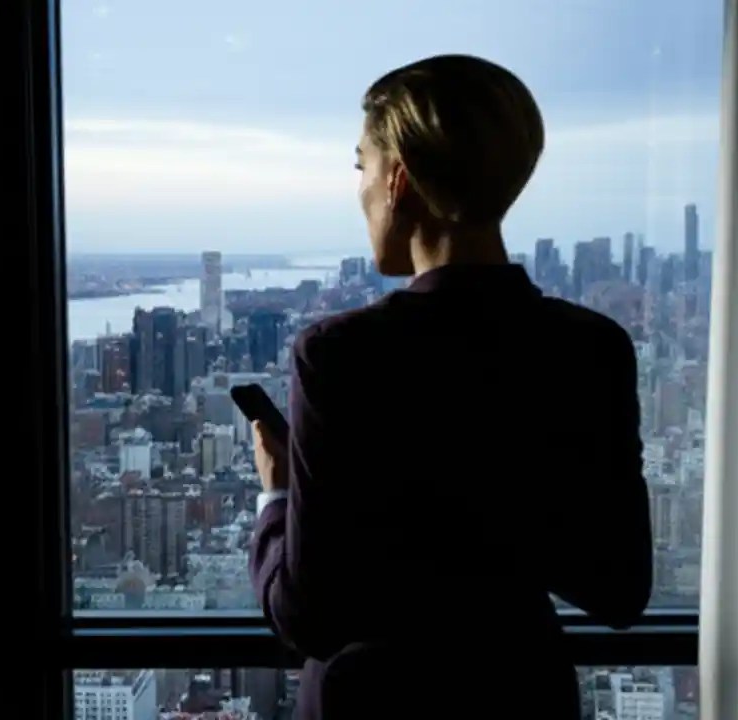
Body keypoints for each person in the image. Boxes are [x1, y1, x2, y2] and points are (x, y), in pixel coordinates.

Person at [249, 54, 653, 719]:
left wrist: (278, 495)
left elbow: (308, 616)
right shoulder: (590, 347)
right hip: (524, 696)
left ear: (399, 180)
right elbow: (619, 590)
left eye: (362, 167)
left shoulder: (343, 355)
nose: (360, 190)